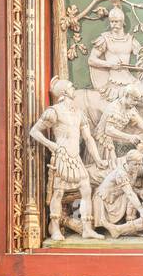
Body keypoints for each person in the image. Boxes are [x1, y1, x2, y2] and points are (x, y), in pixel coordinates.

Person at [29, 77, 105, 241]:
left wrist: (97, 159)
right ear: (64, 92)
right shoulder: (54, 111)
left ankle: (86, 228)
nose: (73, 87)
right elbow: (34, 131)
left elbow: (88, 138)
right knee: (58, 193)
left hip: (75, 158)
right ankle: (55, 228)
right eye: (71, 86)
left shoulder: (78, 113)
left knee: (86, 190)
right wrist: (51, 145)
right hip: (62, 158)